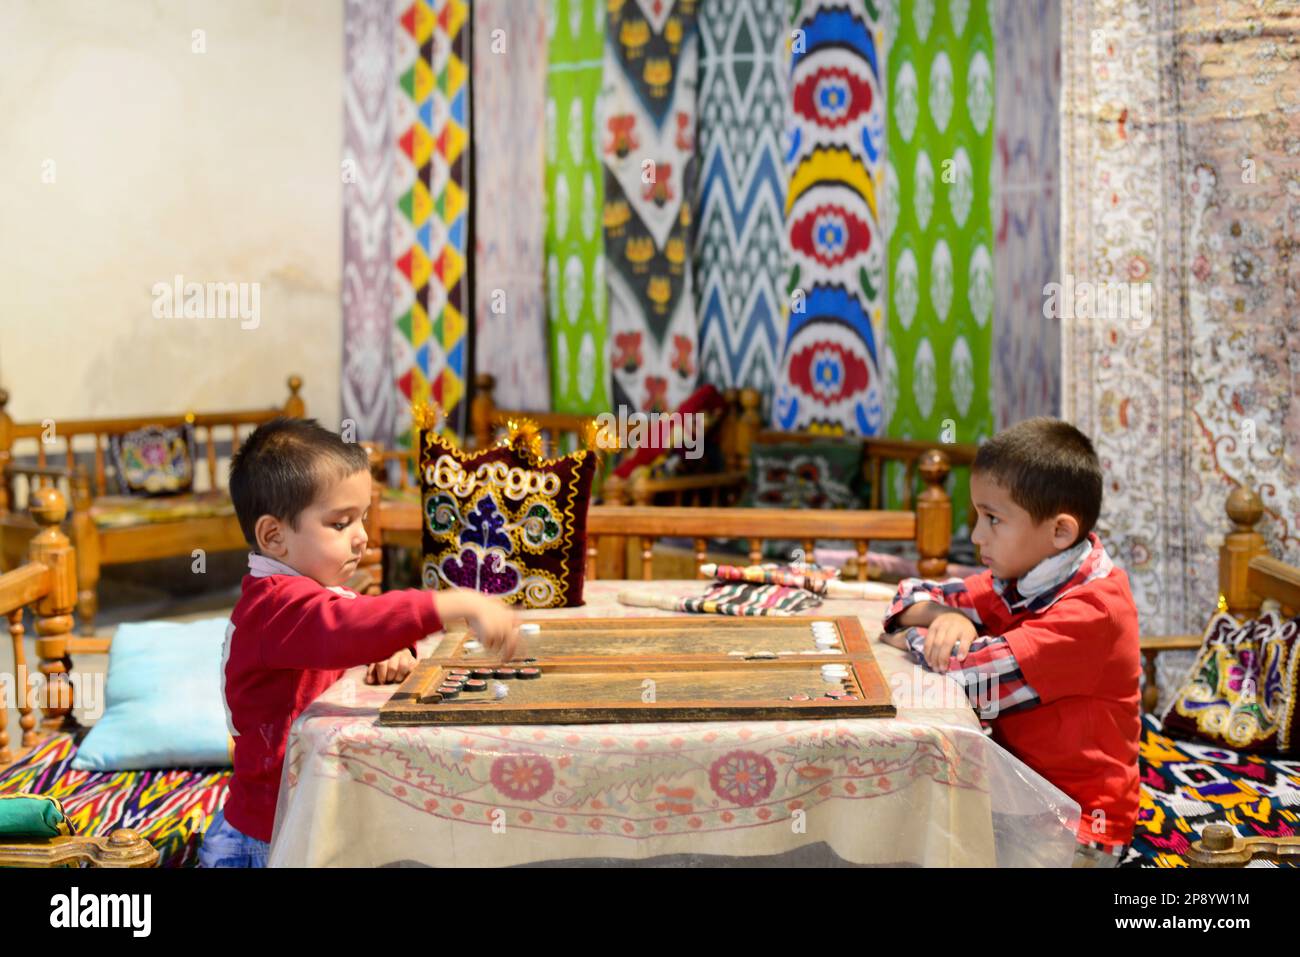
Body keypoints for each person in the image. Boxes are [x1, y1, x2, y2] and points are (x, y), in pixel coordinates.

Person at [198, 417, 517, 867]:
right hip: (265, 838)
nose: (361, 536)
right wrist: (455, 602)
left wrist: (392, 649)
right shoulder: (274, 607)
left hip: (304, 813)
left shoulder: (308, 588)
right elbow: (345, 627)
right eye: (340, 523)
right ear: (274, 536)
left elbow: (352, 626)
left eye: (362, 518)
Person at [879, 417, 1139, 867]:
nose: (977, 536)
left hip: (1076, 827)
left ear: (1059, 531)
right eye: (978, 516)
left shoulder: (1092, 611)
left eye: (993, 519)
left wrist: (911, 635)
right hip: (1019, 794)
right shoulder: (1020, 577)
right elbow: (913, 595)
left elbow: (968, 675)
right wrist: (949, 616)